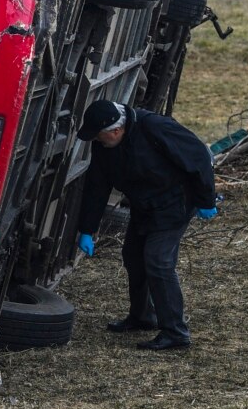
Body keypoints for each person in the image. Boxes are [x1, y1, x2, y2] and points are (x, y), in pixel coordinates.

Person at [74, 100, 217, 351]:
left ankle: (175, 331)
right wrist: (87, 228)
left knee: (158, 261)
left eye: (98, 135)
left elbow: (198, 157)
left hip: (176, 202)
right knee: (133, 257)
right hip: (144, 205)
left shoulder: (155, 127)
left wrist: (206, 199)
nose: (96, 140)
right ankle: (142, 316)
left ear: (116, 130)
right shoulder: (105, 146)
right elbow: (97, 186)